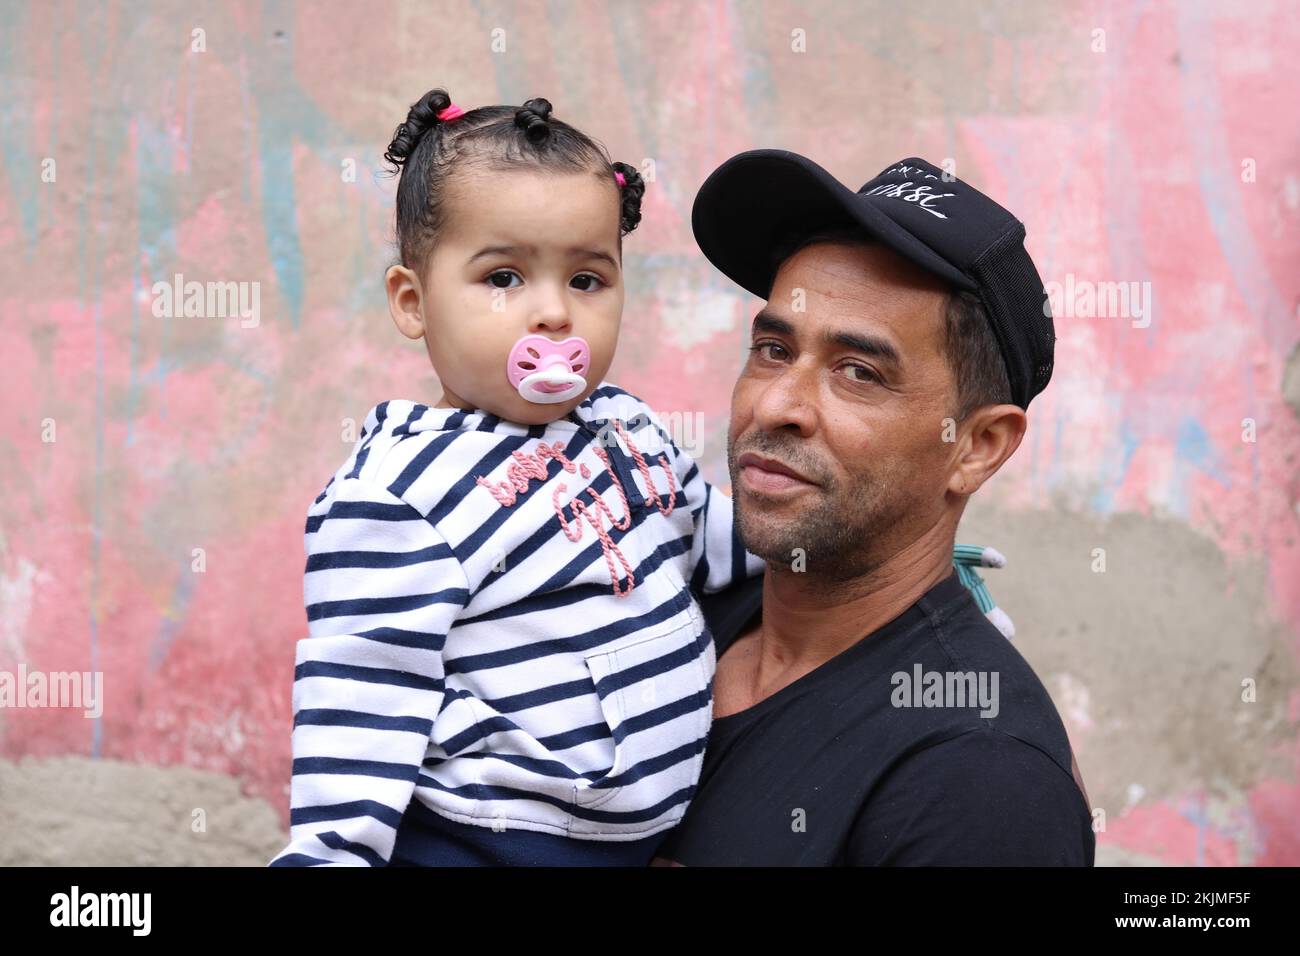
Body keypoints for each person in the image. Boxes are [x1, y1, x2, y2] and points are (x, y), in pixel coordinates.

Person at [269, 90, 1016, 867]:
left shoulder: (626, 429)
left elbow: (722, 533)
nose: (553, 314)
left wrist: (937, 600)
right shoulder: (398, 493)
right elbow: (361, 695)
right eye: (502, 278)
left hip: (620, 839)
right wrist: (332, 853)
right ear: (413, 301)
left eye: (587, 280)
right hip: (491, 839)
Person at [651, 153, 1095, 865]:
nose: (776, 405)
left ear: (977, 446)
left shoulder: (981, 782)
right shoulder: (664, 615)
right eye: (772, 348)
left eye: (857, 372)